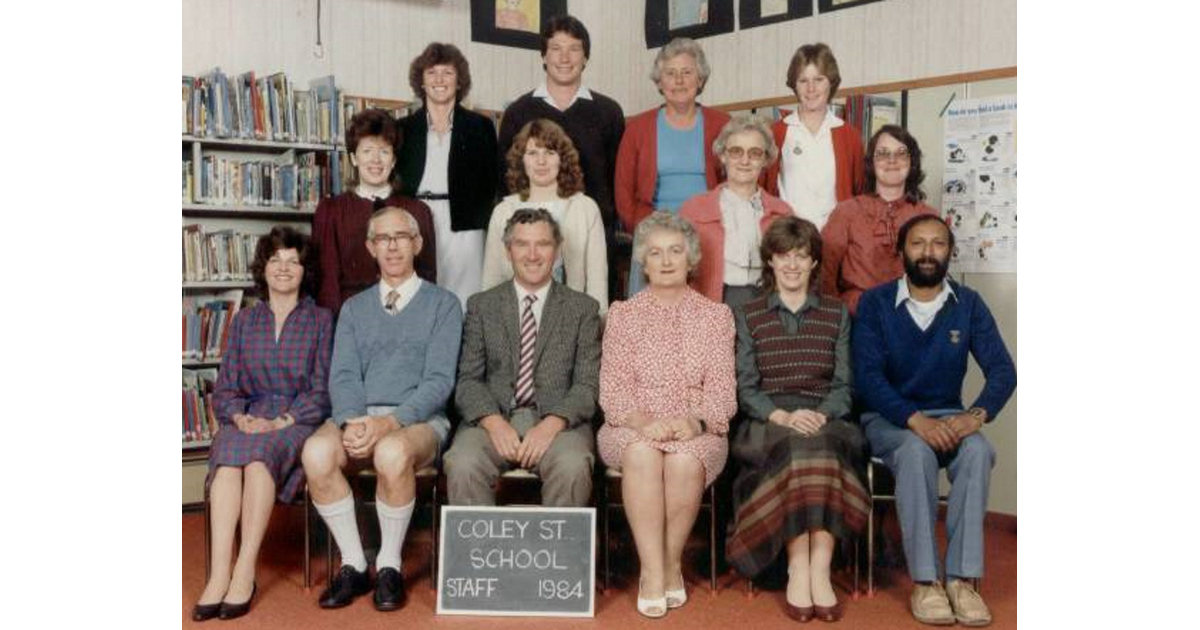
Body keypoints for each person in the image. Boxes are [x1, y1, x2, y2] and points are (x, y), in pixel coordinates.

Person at [853, 214, 1016, 627]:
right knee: (915, 452)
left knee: (978, 451)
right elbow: (867, 378)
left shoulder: (969, 304)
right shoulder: (874, 303)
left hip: (948, 416)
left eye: (938, 243)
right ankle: (926, 582)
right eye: (918, 243)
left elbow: (1003, 370)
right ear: (902, 252)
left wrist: (975, 416)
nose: (928, 252)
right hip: (889, 420)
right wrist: (913, 419)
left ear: (950, 251)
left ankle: (961, 580)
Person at [301, 205, 463, 612]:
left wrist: (389, 422)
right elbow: (343, 375)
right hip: (359, 415)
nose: (392, 247)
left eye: (401, 237)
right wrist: (352, 421)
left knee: (391, 453)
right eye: (382, 239)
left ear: (417, 244)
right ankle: (355, 564)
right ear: (371, 248)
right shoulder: (354, 308)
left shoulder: (444, 304)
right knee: (316, 453)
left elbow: (439, 382)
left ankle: (389, 564)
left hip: (418, 420)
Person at [724, 217, 868, 623]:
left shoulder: (837, 313)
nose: (792, 265)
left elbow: (844, 385)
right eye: (783, 256)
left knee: (819, 448)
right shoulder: (747, 313)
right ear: (770, 261)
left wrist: (820, 414)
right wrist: (782, 415)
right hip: (767, 420)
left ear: (814, 263)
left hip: (827, 417)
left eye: (801, 256)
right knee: (797, 449)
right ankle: (797, 567)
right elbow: (746, 386)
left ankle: (819, 569)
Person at [597, 212, 736, 618]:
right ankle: (652, 572)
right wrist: (643, 422)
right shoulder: (623, 314)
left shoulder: (716, 316)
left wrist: (695, 423)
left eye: (675, 251)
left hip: (698, 426)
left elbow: (723, 390)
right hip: (631, 424)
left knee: (684, 461)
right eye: (655, 253)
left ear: (691, 258)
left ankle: (671, 561)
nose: (666, 261)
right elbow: (613, 388)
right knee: (641, 453)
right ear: (643, 261)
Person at [192, 227, 333, 621]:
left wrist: (282, 421)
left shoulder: (321, 320)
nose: (283, 268)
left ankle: (244, 570)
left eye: (293, 261)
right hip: (248, 416)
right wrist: (240, 417)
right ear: (263, 268)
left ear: (304, 271)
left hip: (295, 420)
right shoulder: (244, 321)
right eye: (275, 260)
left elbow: (323, 389)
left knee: (258, 460)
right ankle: (219, 573)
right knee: (227, 457)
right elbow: (226, 387)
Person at [447, 209, 601, 506]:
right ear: (508, 251)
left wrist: (552, 423)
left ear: (557, 250)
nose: (532, 255)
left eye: (542, 244)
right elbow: (468, 381)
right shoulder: (482, 306)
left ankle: (557, 542)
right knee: (463, 463)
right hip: (493, 418)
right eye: (521, 244)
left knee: (572, 466)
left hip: (559, 422)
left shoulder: (582, 308)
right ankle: (480, 541)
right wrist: (493, 422)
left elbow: (587, 385)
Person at [497, 15, 625, 298]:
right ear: (543, 56)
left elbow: (617, 177)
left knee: (590, 307)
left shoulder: (609, 111)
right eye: (556, 48)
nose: (564, 58)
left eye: (574, 49)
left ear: (586, 57)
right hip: (532, 234)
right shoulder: (519, 111)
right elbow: (504, 178)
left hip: (592, 231)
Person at [616, 37, 730, 295]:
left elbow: (734, 181)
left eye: (687, 72)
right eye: (670, 73)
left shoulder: (722, 124)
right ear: (659, 82)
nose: (679, 81)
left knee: (704, 308)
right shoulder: (638, 128)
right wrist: (644, 229)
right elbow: (623, 191)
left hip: (707, 228)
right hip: (655, 228)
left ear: (700, 79)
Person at [397, 42, 499, 309]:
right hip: (416, 218)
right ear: (421, 81)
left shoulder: (480, 127)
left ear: (459, 81)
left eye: (448, 73)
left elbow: (492, 182)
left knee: (464, 299)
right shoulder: (403, 129)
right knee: (419, 296)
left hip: (465, 223)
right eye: (432, 73)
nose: (439, 80)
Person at [313, 108, 437, 316]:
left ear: (394, 160)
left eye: (384, 151)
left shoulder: (419, 211)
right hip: (350, 318)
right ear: (353, 158)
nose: (376, 160)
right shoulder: (331, 211)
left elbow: (427, 280)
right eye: (367, 151)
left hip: (406, 317)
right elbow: (327, 284)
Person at [481, 119, 609, 316]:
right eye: (532, 153)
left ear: (562, 159)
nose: (541, 161)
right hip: (516, 318)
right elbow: (492, 280)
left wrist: (596, 324)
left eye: (550, 152)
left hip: (572, 318)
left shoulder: (585, 208)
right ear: (521, 160)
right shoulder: (503, 211)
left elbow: (597, 281)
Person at [821, 125, 937, 315]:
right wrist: (837, 317)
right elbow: (825, 272)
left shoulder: (928, 217)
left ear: (912, 161)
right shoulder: (846, 212)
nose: (892, 160)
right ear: (871, 162)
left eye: (901, 153)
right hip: (857, 318)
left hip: (913, 318)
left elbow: (935, 278)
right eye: (883, 153)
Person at [679, 116, 792, 308]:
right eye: (736, 152)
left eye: (755, 153)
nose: (745, 161)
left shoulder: (783, 213)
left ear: (766, 159)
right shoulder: (693, 209)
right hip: (711, 306)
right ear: (723, 155)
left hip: (767, 306)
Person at [762, 43, 864, 231]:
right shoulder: (776, 133)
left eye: (819, 79)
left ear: (831, 82)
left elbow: (859, 194)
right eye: (803, 80)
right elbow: (765, 192)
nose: (811, 88)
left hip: (835, 238)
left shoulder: (850, 136)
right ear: (794, 85)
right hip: (789, 239)